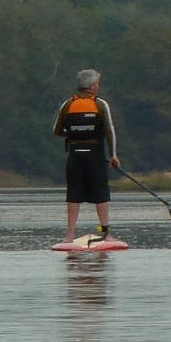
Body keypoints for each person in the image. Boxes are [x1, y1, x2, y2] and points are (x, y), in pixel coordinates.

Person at [53, 69, 121, 244]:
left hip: (75, 156)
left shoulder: (67, 105)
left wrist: (75, 135)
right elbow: (109, 131)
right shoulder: (100, 104)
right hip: (95, 156)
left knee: (74, 195)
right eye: (97, 83)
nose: (98, 86)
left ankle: (69, 235)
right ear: (92, 86)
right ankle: (105, 234)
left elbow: (57, 130)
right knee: (101, 196)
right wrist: (113, 155)